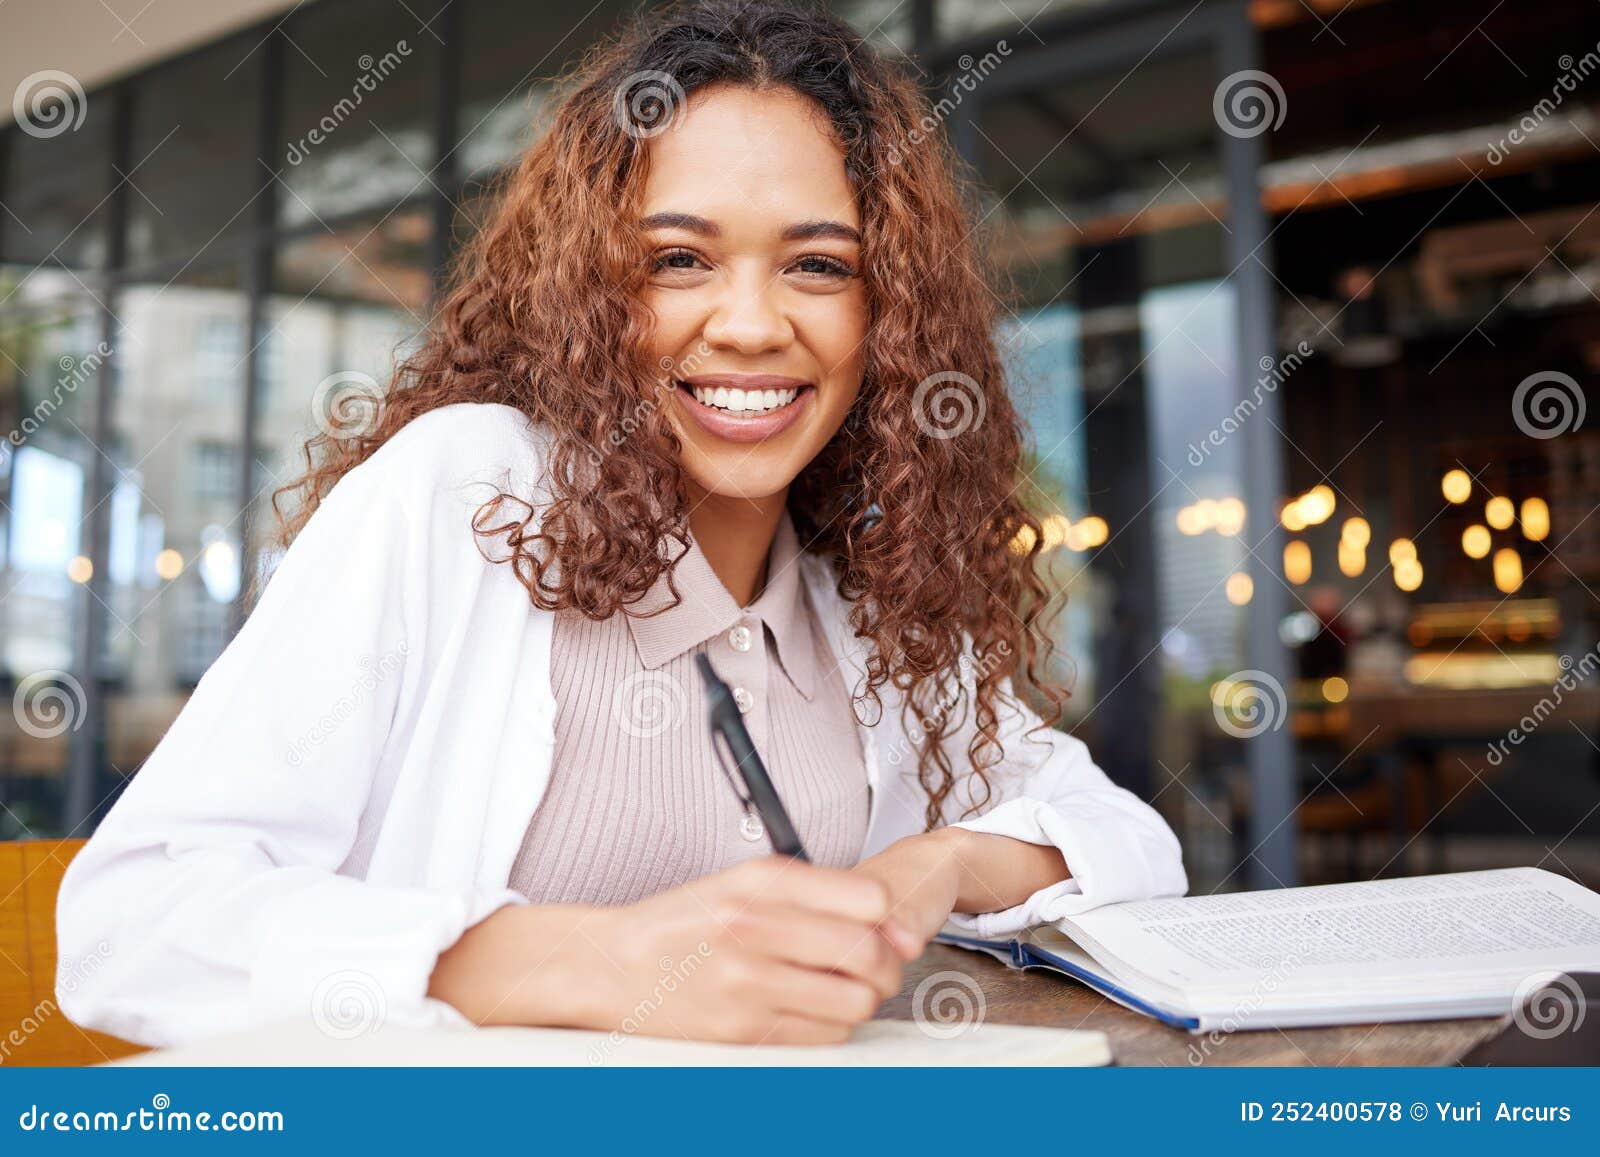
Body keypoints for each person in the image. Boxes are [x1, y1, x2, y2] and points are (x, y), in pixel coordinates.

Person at [56, 0, 1186, 1050]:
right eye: (678, 259)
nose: (750, 324)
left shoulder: (865, 604)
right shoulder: (467, 494)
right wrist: (601, 962)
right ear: (589, 293)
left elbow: (1132, 845)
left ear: (887, 315)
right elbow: (133, 920)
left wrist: (935, 862)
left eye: (818, 265)